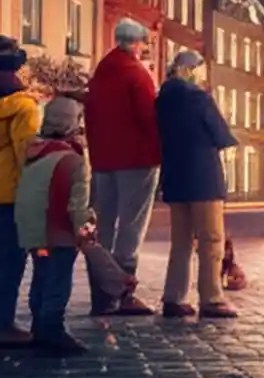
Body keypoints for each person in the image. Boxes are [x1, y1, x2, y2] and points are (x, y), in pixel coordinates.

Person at [85, 18, 161, 316]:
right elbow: (149, 118)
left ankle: (101, 294)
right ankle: (123, 290)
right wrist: (160, 151)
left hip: (104, 160)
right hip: (136, 159)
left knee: (104, 224)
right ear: (137, 42)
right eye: (144, 44)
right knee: (132, 225)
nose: (145, 50)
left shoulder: (101, 72)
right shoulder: (136, 74)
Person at [157, 51, 238, 319]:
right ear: (192, 70)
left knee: (180, 241)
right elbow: (221, 135)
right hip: (203, 176)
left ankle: (174, 297)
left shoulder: (162, 100)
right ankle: (212, 297)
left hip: (175, 175)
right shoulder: (199, 98)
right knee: (210, 238)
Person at [14, 97, 93, 355]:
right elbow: (76, 206)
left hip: (33, 234)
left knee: (41, 274)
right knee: (58, 280)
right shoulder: (74, 161)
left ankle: (39, 325)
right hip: (58, 234)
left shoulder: (34, 155)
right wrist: (85, 229)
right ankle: (52, 329)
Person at [0, 38, 40, 347]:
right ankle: (4, 324)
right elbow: (27, 156)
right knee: (9, 263)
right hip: (9, 198)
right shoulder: (22, 107)